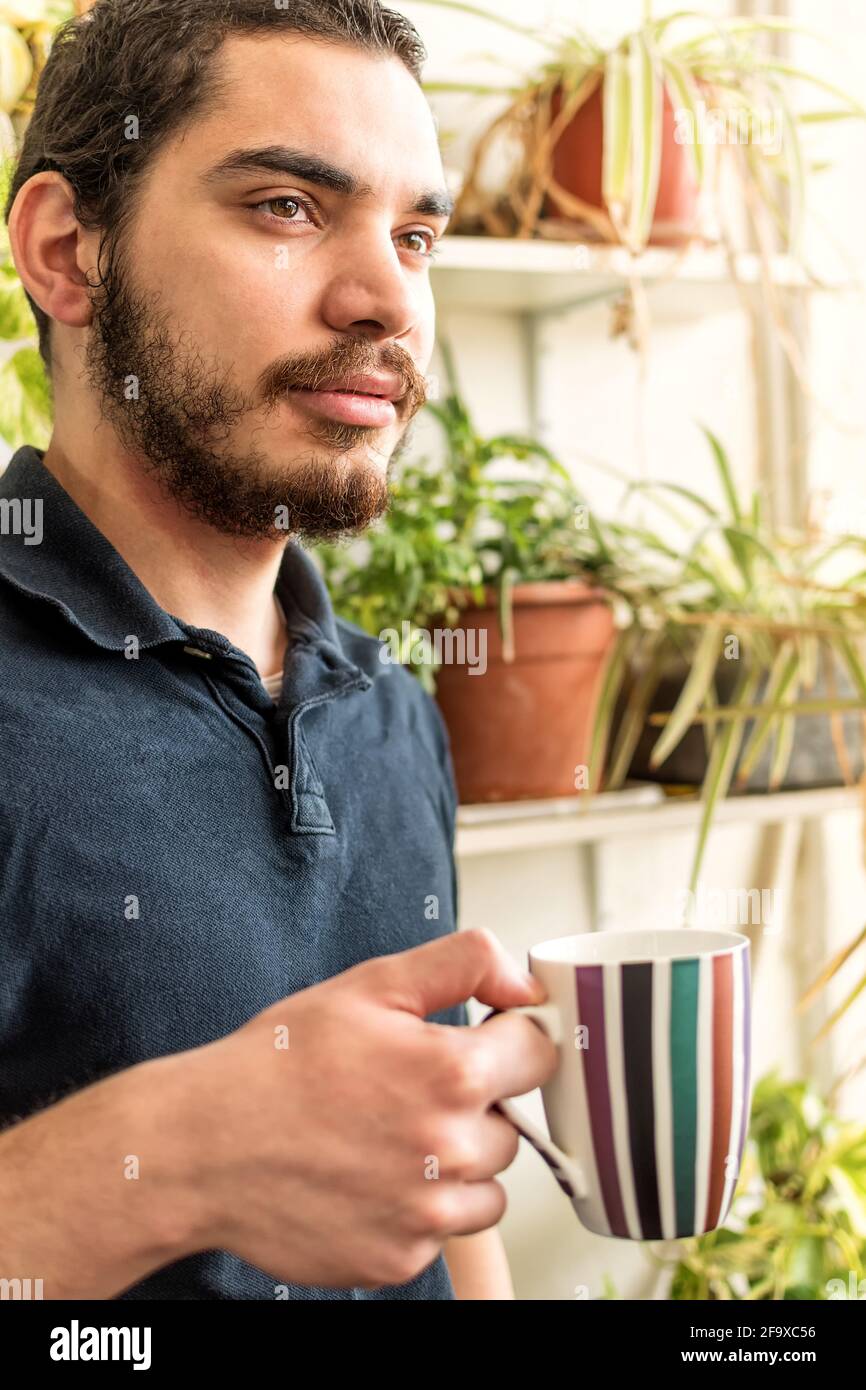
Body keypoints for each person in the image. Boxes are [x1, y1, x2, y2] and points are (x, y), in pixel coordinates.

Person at [0, 0, 557, 1301]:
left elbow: (431, 1176)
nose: (385, 302)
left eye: (415, 235)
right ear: (69, 253)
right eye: (286, 207)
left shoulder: (389, 707)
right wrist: (176, 1156)